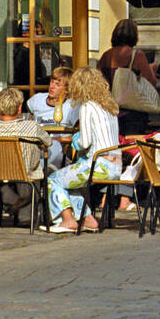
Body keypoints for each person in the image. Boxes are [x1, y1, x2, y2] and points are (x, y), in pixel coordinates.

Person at [48, 66, 124, 233]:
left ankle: (68, 220)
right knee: (69, 182)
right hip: (116, 165)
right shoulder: (109, 106)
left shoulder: (87, 106)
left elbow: (85, 142)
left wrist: (73, 140)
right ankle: (87, 219)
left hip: (99, 163)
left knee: (54, 179)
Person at [0, 87, 52, 221]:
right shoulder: (31, 128)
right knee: (41, 169)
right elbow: (48, 142)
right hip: (25, 173)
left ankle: (14, 201)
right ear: (19, 109)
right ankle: (27, 215)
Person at [98, 18, 157, 136]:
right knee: (132, 143)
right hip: (132, 111)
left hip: (111, 109)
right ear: (134, 35)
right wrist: (152, 68)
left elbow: (99, 80)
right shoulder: (136, 55)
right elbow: (151, 81)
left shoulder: (106, 55)